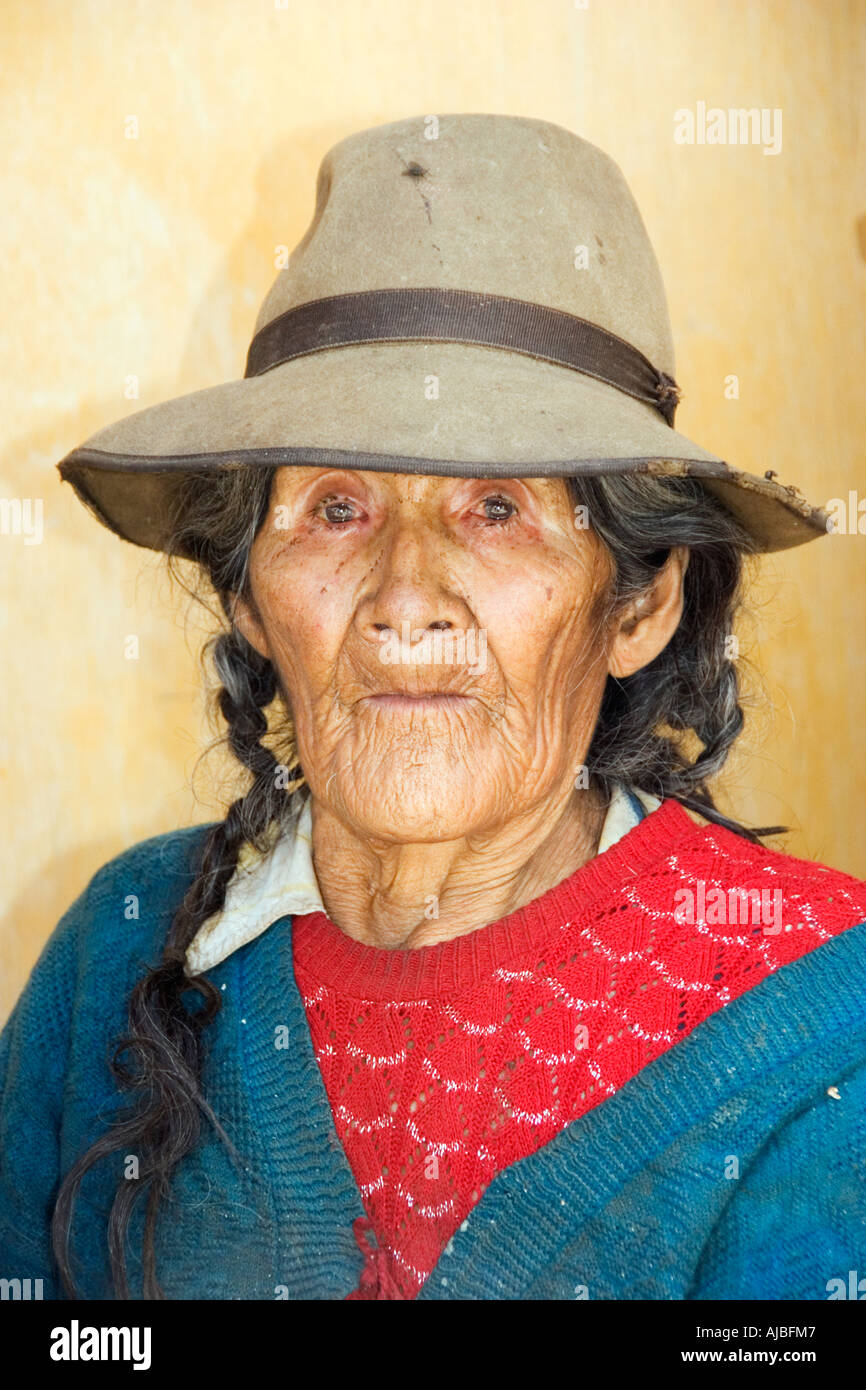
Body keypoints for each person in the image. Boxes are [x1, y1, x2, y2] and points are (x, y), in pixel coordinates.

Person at [2, 113, 864, 1301]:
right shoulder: (124, 940)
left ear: (638, 604)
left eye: (498, 508)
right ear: (248, 596)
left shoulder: (826, 1021)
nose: (404, 603)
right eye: (338, 508)